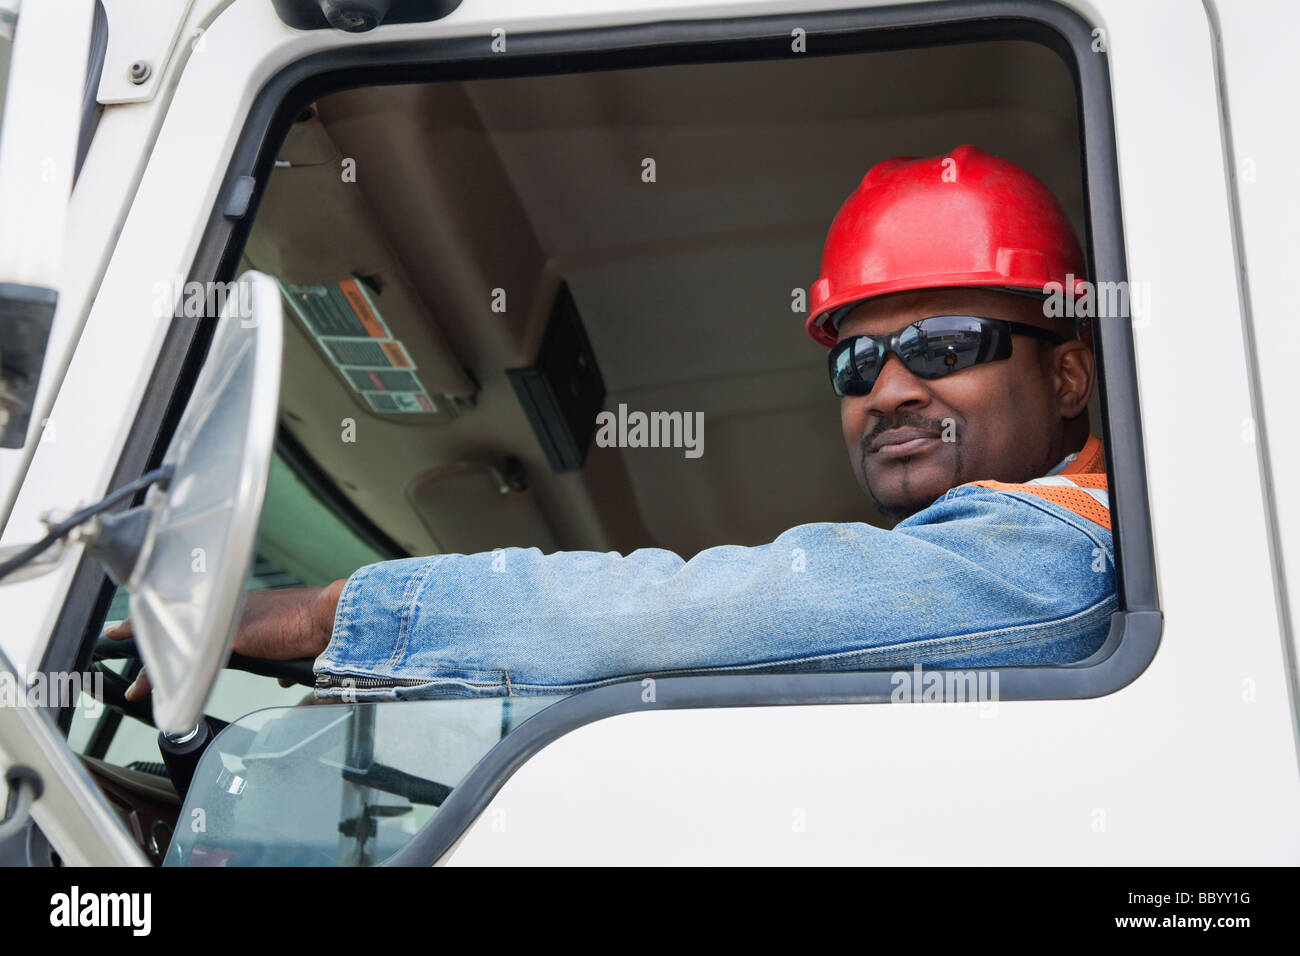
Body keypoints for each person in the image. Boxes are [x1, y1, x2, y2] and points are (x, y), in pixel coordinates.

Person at [111, 144, 1114, 702]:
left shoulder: (1063, 548)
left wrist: (343, 612)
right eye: (856, 358)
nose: (888, 388)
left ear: (1068, 371)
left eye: (941, 344)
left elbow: (700, 610)